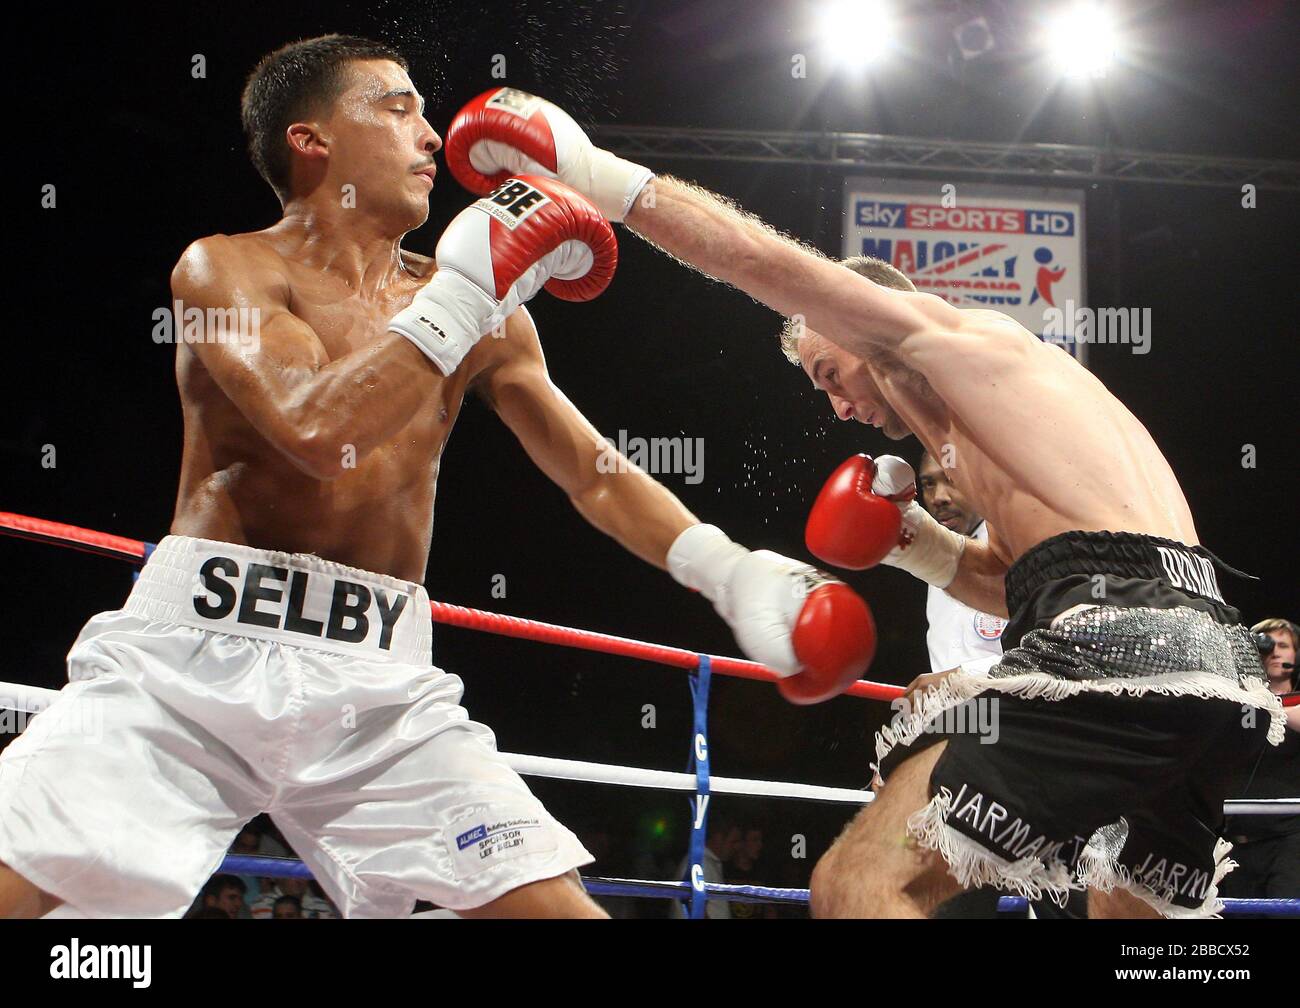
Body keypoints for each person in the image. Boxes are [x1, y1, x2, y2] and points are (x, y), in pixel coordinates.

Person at [0, 37, 872, 921]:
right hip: (191, 658)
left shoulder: (473, 301)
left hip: (379, 682)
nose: (429, 134)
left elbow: (594, 474)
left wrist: (729, 569)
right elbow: (314, 428)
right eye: (396, 106)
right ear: (312, 142)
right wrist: (463, 293)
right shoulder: (229, 268)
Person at [445, 88, 1285, 917]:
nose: (837, 406)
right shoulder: (997, 423)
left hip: (1117, 638)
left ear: (859, 322)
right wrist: (911, 540)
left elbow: (753, 261)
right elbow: (1018, 580)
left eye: (827, 373)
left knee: (857, 884)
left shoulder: (948, 336)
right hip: (1208, 659)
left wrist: (601, 177)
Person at [1218, 618, 1300, 904]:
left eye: (1284, 645)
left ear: (1296, 655)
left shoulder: (1294, 702)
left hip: (1289, 839)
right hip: (1236, 840)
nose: (1275, 652)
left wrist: (1264, 700)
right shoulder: (1234, 701)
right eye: (1266, 644)